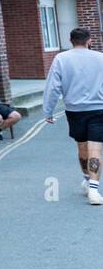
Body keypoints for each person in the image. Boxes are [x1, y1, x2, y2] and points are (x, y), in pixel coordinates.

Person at [42, 27, 103, 206]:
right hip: (98, 108)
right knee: (95, 149)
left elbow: (53, 87)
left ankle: (87, 180)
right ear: (89, 40)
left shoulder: (61, 58)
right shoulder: (100, 58)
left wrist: (48, 111)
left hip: (74, 110)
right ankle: (93, 189)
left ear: (71, 41)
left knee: (82, 147)